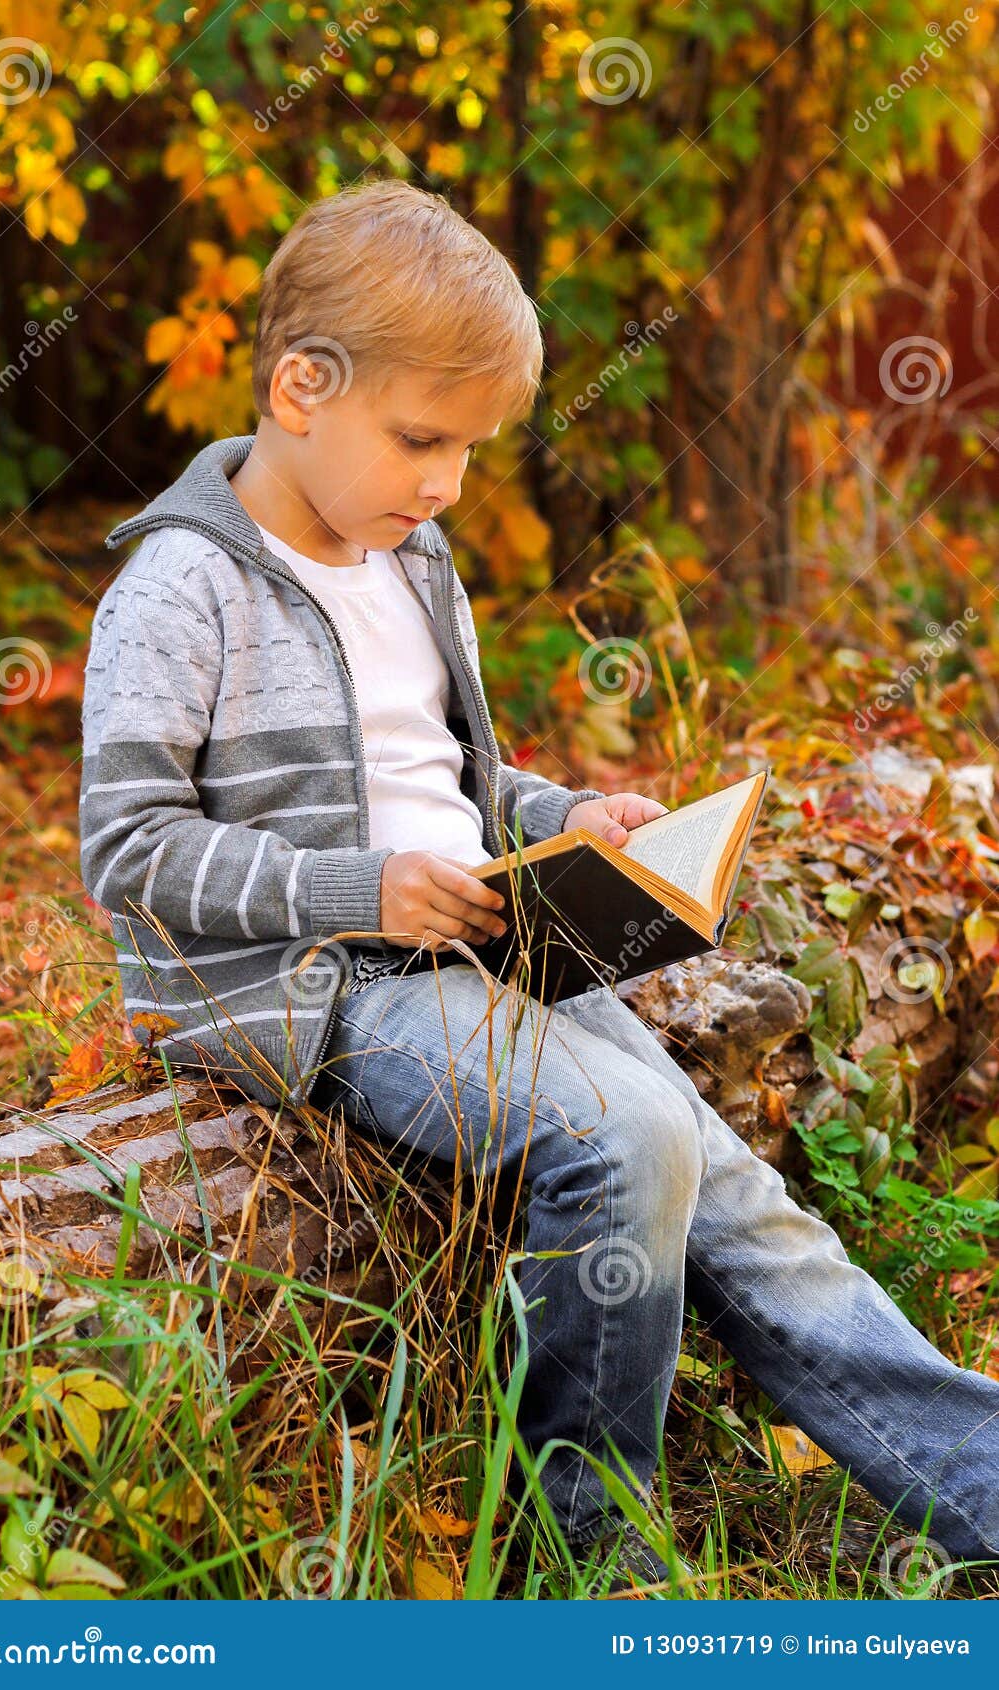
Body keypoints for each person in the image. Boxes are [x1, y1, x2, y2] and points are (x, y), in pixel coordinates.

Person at [79, 178, 999, 1591]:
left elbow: (455, 783)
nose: (448, 482)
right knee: (628, 1138)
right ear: (299, 386)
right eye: (422, 440)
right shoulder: (178, 587)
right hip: (312, 984)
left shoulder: (411, 559)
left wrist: (576, 815)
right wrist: (361, 888)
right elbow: (126, 849)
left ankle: (981, 1483)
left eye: (469, 450)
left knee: (744, 1197)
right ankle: (597, 1554)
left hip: (475, 947)